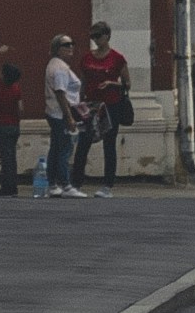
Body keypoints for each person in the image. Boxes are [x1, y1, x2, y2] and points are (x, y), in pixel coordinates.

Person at [75, 18, 133, 191]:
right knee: (83, 142)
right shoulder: (86, 58)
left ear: (107, 36)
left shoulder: (117, 58)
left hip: (111, 105)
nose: (95, 39)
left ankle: (107, 184)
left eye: (98, 36)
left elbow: (127, 84)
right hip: (91, 103)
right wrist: (80, 103)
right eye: (93, 36)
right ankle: (76, 182)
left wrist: (111, 83)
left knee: (109, 143)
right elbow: (83, 81)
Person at [42, 34, 84, 198]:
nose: (71, 47)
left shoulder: (55, 65)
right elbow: (61, 93)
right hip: (61, 114)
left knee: (56, 148)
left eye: (72, 44)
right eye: (66, 45)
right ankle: (65, 184)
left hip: (54, 112)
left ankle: (52, 183)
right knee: (64, 149)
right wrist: (69, 117)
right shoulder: (59, 68)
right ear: (57, 49)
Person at [0, 44, 28, 196]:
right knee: (11, 157)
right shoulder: (16, 88)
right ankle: (12, 186)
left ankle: (7, 187)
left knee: (5, 157)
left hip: (2, 125)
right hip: (14, 125)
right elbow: (21, 108)